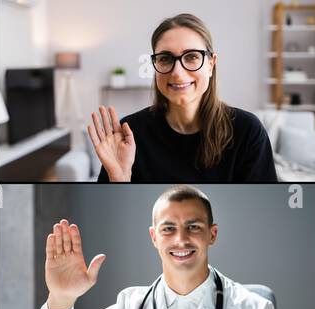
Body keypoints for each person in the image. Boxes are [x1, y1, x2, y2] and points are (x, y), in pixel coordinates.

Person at [29, 185, 297, 309]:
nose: (181, 239)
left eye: (193, 227)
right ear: (154, 237)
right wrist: (61, 299)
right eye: (168, 229)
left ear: (211, 234)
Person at [91, 14, 275, 183]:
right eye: (165, 59)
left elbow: (263, 210)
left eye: (192, 57)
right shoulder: (129, 133)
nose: (178, 73)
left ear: (211, 65)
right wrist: (119, 179)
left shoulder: (247, 131)